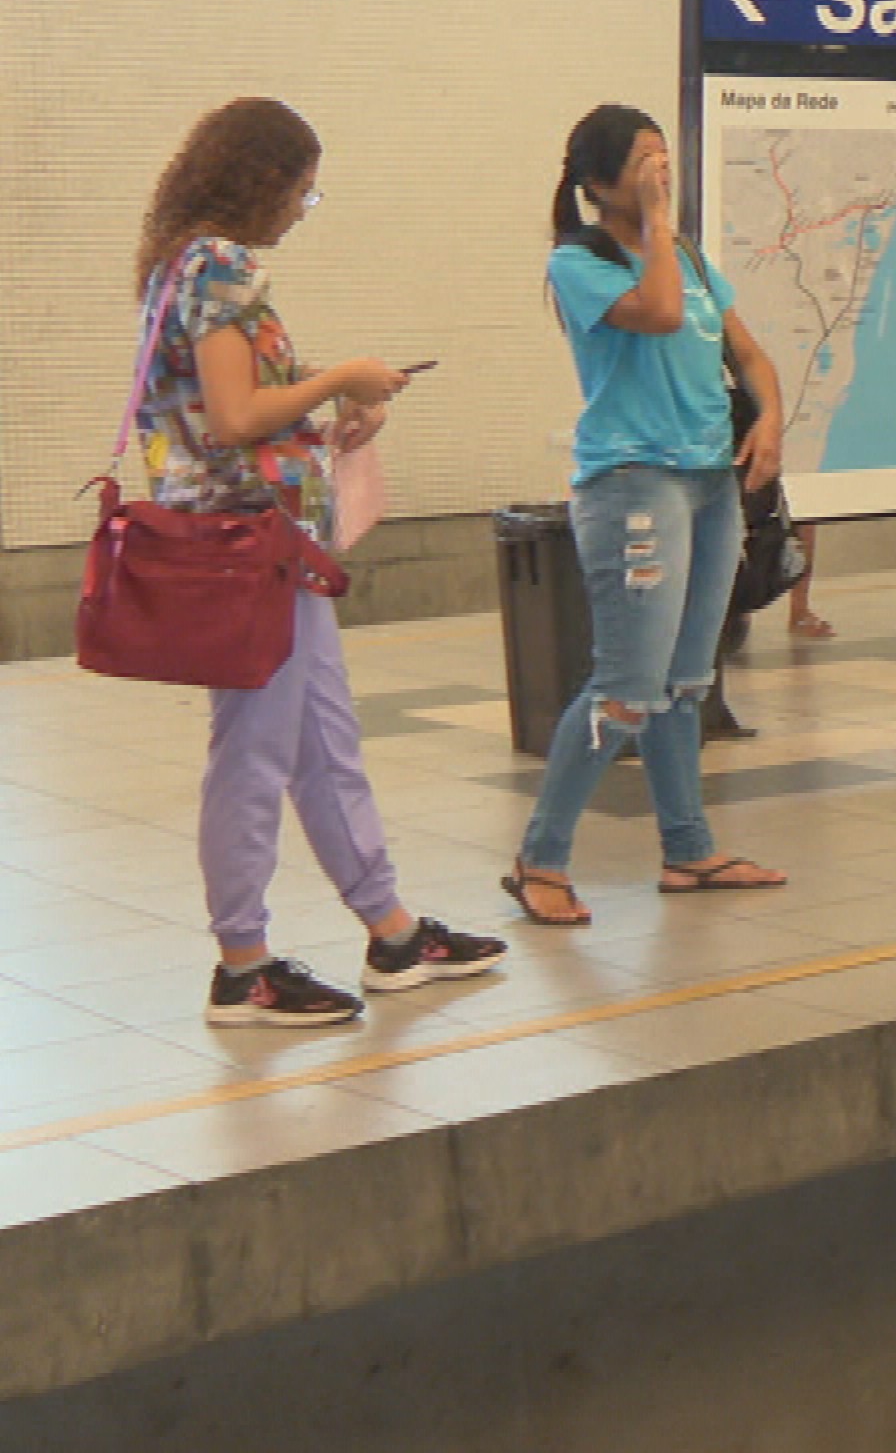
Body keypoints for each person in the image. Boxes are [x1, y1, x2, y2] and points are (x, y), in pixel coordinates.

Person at [133, 99, 505, 1027]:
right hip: (244, 549)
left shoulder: (181, 263)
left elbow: (234, 402)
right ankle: (242, 966)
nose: (303, 208)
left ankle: (392, 932)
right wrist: (341, 377)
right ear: (261, 182)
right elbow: (233, 417)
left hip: (269, 546)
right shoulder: (219, 265)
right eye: (303, 190)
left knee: (325, 742)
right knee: (254, 755)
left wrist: (329, 405)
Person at [505, 107, 792, 925]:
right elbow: (662, 313)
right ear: (599, 184)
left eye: (664, 157)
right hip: (635, 486)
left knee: (683, 684)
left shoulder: (688, 256)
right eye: (643, 162)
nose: (661, 172)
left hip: (709, 483)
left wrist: (771, 419)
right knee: (626, 689)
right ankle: (540, 860)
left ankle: (689, 850)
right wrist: (658, 223)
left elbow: (748, 353)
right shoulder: (579, 263)